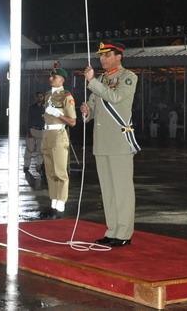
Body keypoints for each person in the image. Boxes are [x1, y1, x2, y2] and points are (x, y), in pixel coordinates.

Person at [80, 41, 139, 247]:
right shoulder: (102, 79)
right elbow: (95, 106)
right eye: (101, 56)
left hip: (119, 142)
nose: (102, 59)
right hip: (102, 142)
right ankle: (112, 229)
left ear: (118, 56)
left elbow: (114, 97)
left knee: (122, 189)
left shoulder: (128, 77)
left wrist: (93, 81)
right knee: (107, 189)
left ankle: (124, 233)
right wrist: (87, 112)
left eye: (107, 55)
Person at [40, 66, 77, 219]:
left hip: (58, 134)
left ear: (61, 80)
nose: (51, 79)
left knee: (60, 172)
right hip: (47, 134)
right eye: (51, 77)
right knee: (50, 171)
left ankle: (61, 205)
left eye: (54, 77)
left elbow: (73, 121)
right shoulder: (48, 95)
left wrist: (58, 114)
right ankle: (53, 203)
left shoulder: (66, 96)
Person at [24, 92, 46, 174]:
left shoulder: (45, 108)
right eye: (38, 97)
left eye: (41, 96)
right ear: (35, 97)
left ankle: (39, 166)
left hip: (42, 130)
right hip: (33, 129)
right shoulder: (32, 108)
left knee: (40, 150)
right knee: (29, 149)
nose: (40, 98)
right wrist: (28, 132)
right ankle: (26, 166)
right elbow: (28, 120)